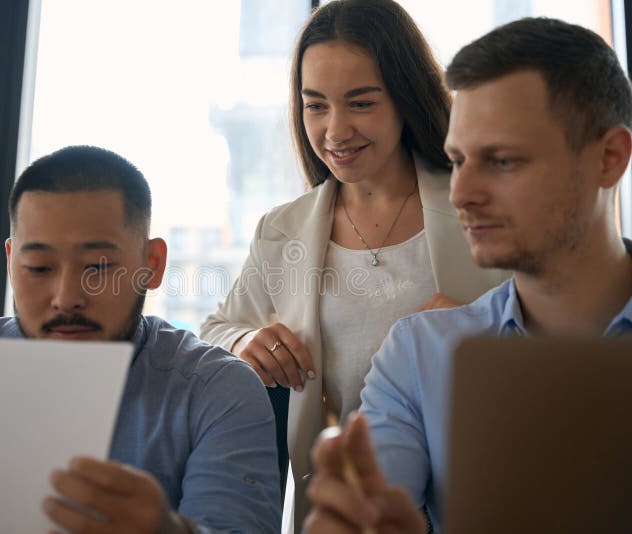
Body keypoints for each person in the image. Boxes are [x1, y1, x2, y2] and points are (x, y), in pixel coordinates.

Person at [0, 146, 282, 533]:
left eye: (98, 267)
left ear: (153, 263)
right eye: (40, 269)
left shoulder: (216, 391)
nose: (67, 299)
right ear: (11, 262)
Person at [305, 17, 632, 533]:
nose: (462, 194)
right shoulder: (419, 352)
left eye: (502, 161)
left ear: (608, 159)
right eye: (458, 161)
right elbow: (374, 508)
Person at [199, 0, 505, 528]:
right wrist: (244, 342)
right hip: (342, 510)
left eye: (360, 103)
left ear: (406, 99)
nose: (335, 131)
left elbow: (541, 339)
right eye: (315, 105)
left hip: (471, 494)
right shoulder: (284, 229)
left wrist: (475, 342)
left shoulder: (477, 209)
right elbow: (214, 331)